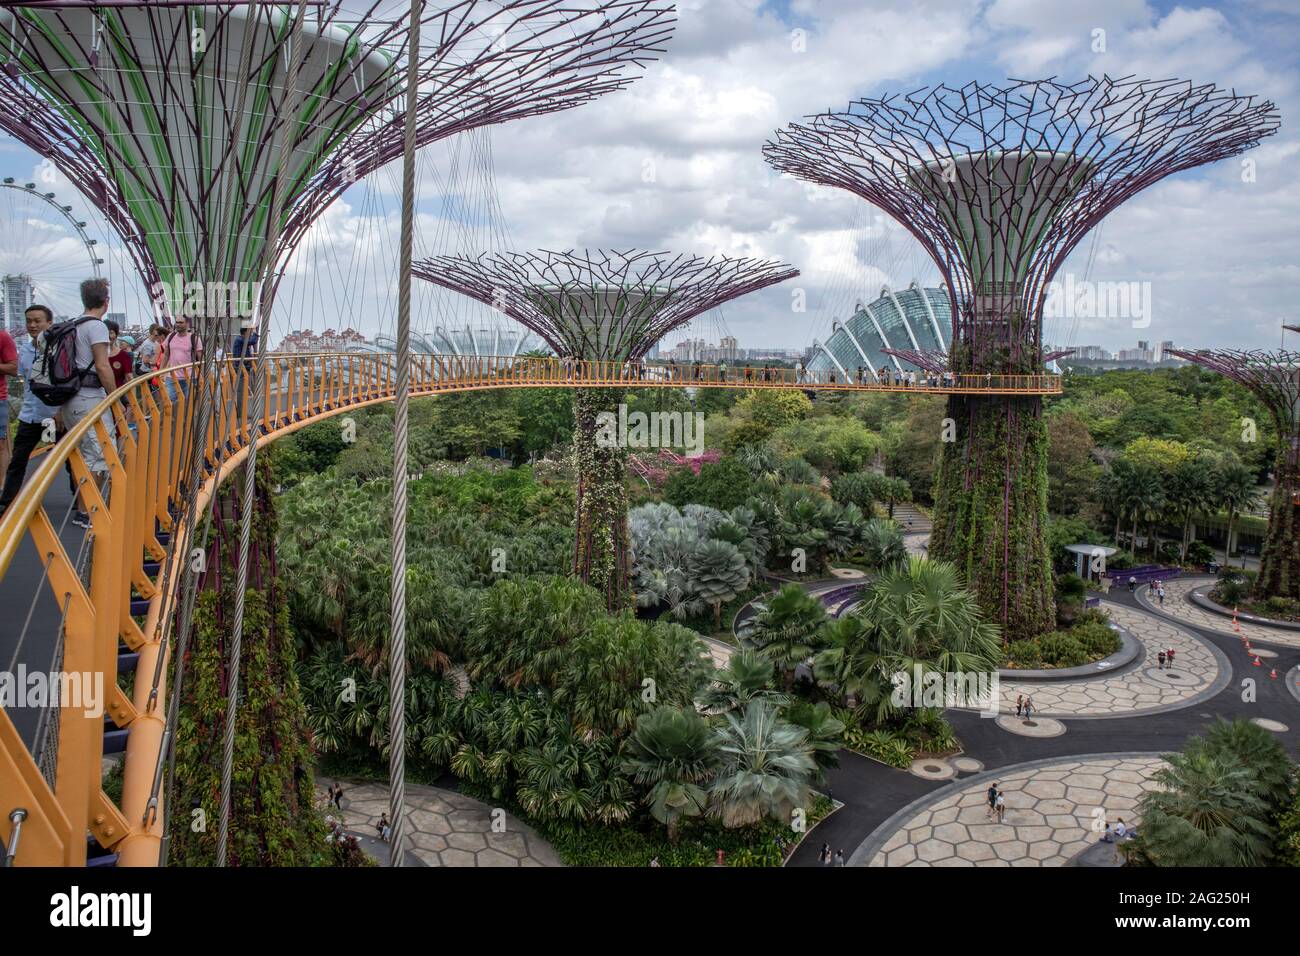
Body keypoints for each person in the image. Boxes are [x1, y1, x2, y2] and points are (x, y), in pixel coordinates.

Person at [59, 278, 118, 529]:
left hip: (70, 398)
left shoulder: (72, 325)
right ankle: (88, 512)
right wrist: (116, 397)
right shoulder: (96, 327)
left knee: (84, 455)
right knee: (100, 455)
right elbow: (103, 365)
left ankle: (85, 508)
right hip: (89, 397)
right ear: (106, 302)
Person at [0, 305, 64, 515]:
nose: (32, 325)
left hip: (55, 414)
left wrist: (61, 410)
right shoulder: (26, 351)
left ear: (49, 323)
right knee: (18, 460)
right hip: (30, 413)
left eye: (37, 321)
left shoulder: (61, 350)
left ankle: (83, 504)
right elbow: (18, 374)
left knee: (69, 460)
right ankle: (7, 503)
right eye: (29, 321)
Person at [160, 314, 202, 400]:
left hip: (190, 376)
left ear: (187, 324)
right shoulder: (170, 336)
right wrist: (161, 372)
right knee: (171, 401)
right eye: (177, 322)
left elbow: (200, 358)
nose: (178, 324)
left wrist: (202, 375)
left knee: (189, 402)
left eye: (181, 322)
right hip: (172, 376)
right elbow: (166, 355)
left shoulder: (194, 338)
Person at [0, 320, 16, 481]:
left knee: (1, 444)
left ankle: (2, 486)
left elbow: (13, 368)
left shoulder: (3, 337)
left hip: (0, 398)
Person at [103, 319, 133, 391]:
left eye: (111, 333)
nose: (108, 336)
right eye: (104, 333)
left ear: (116, 335)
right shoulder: (93, 354)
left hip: (117, 396)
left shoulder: (123, 355)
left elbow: (129, 378)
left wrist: (133, 401)